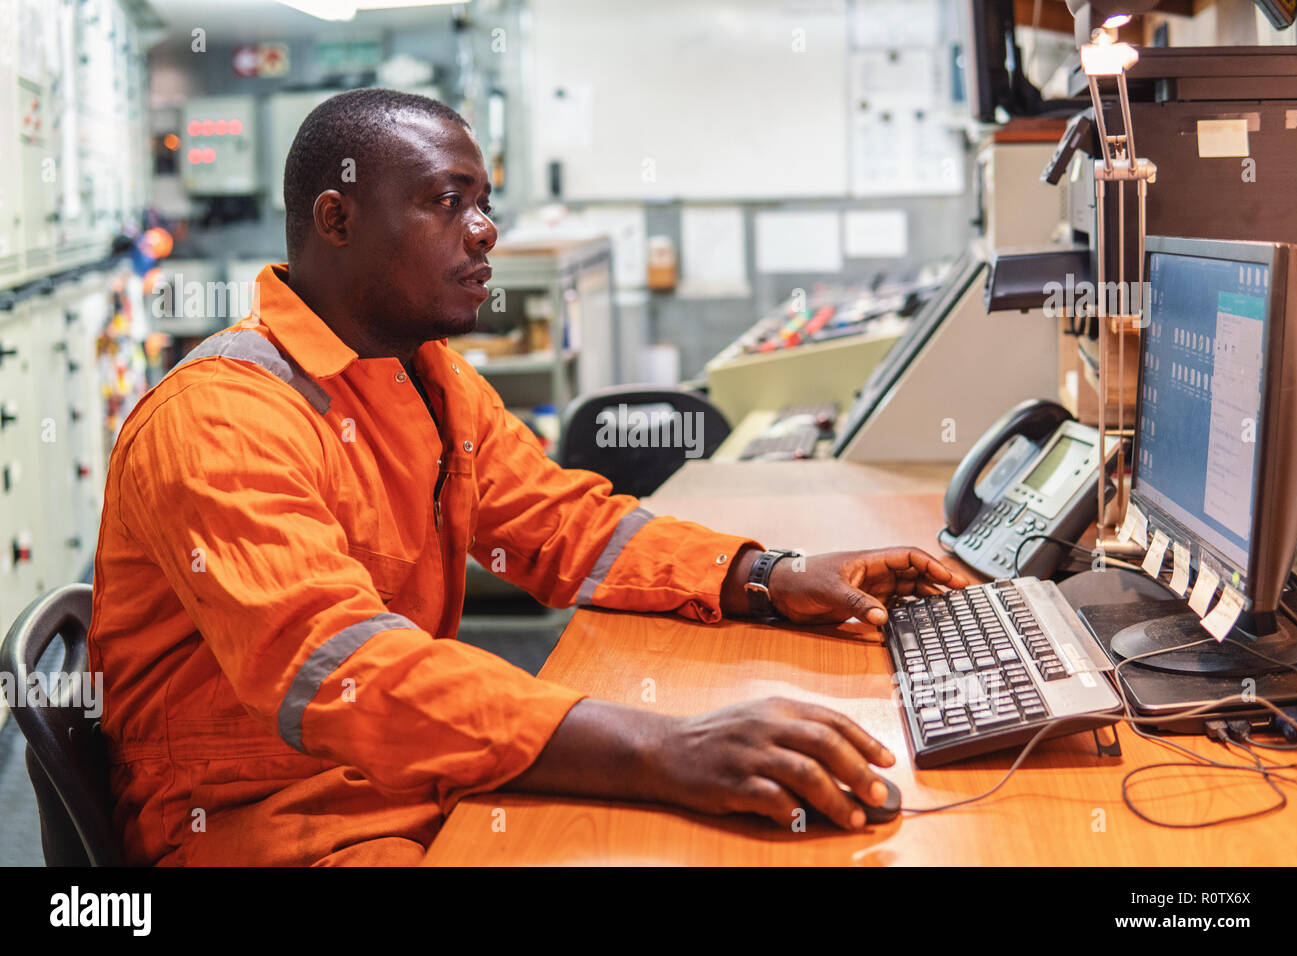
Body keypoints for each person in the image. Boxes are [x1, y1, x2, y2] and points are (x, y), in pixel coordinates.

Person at [87, 89, 966, 866]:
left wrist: (766, 575)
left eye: (484, 202)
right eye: (446, 201)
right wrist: (662, 747)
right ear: (337, 219)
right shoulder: (221, 419)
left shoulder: (423, 376)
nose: (485, 230)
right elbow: (339, 670)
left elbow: (565, 525)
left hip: (413, 779)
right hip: (275, 828)